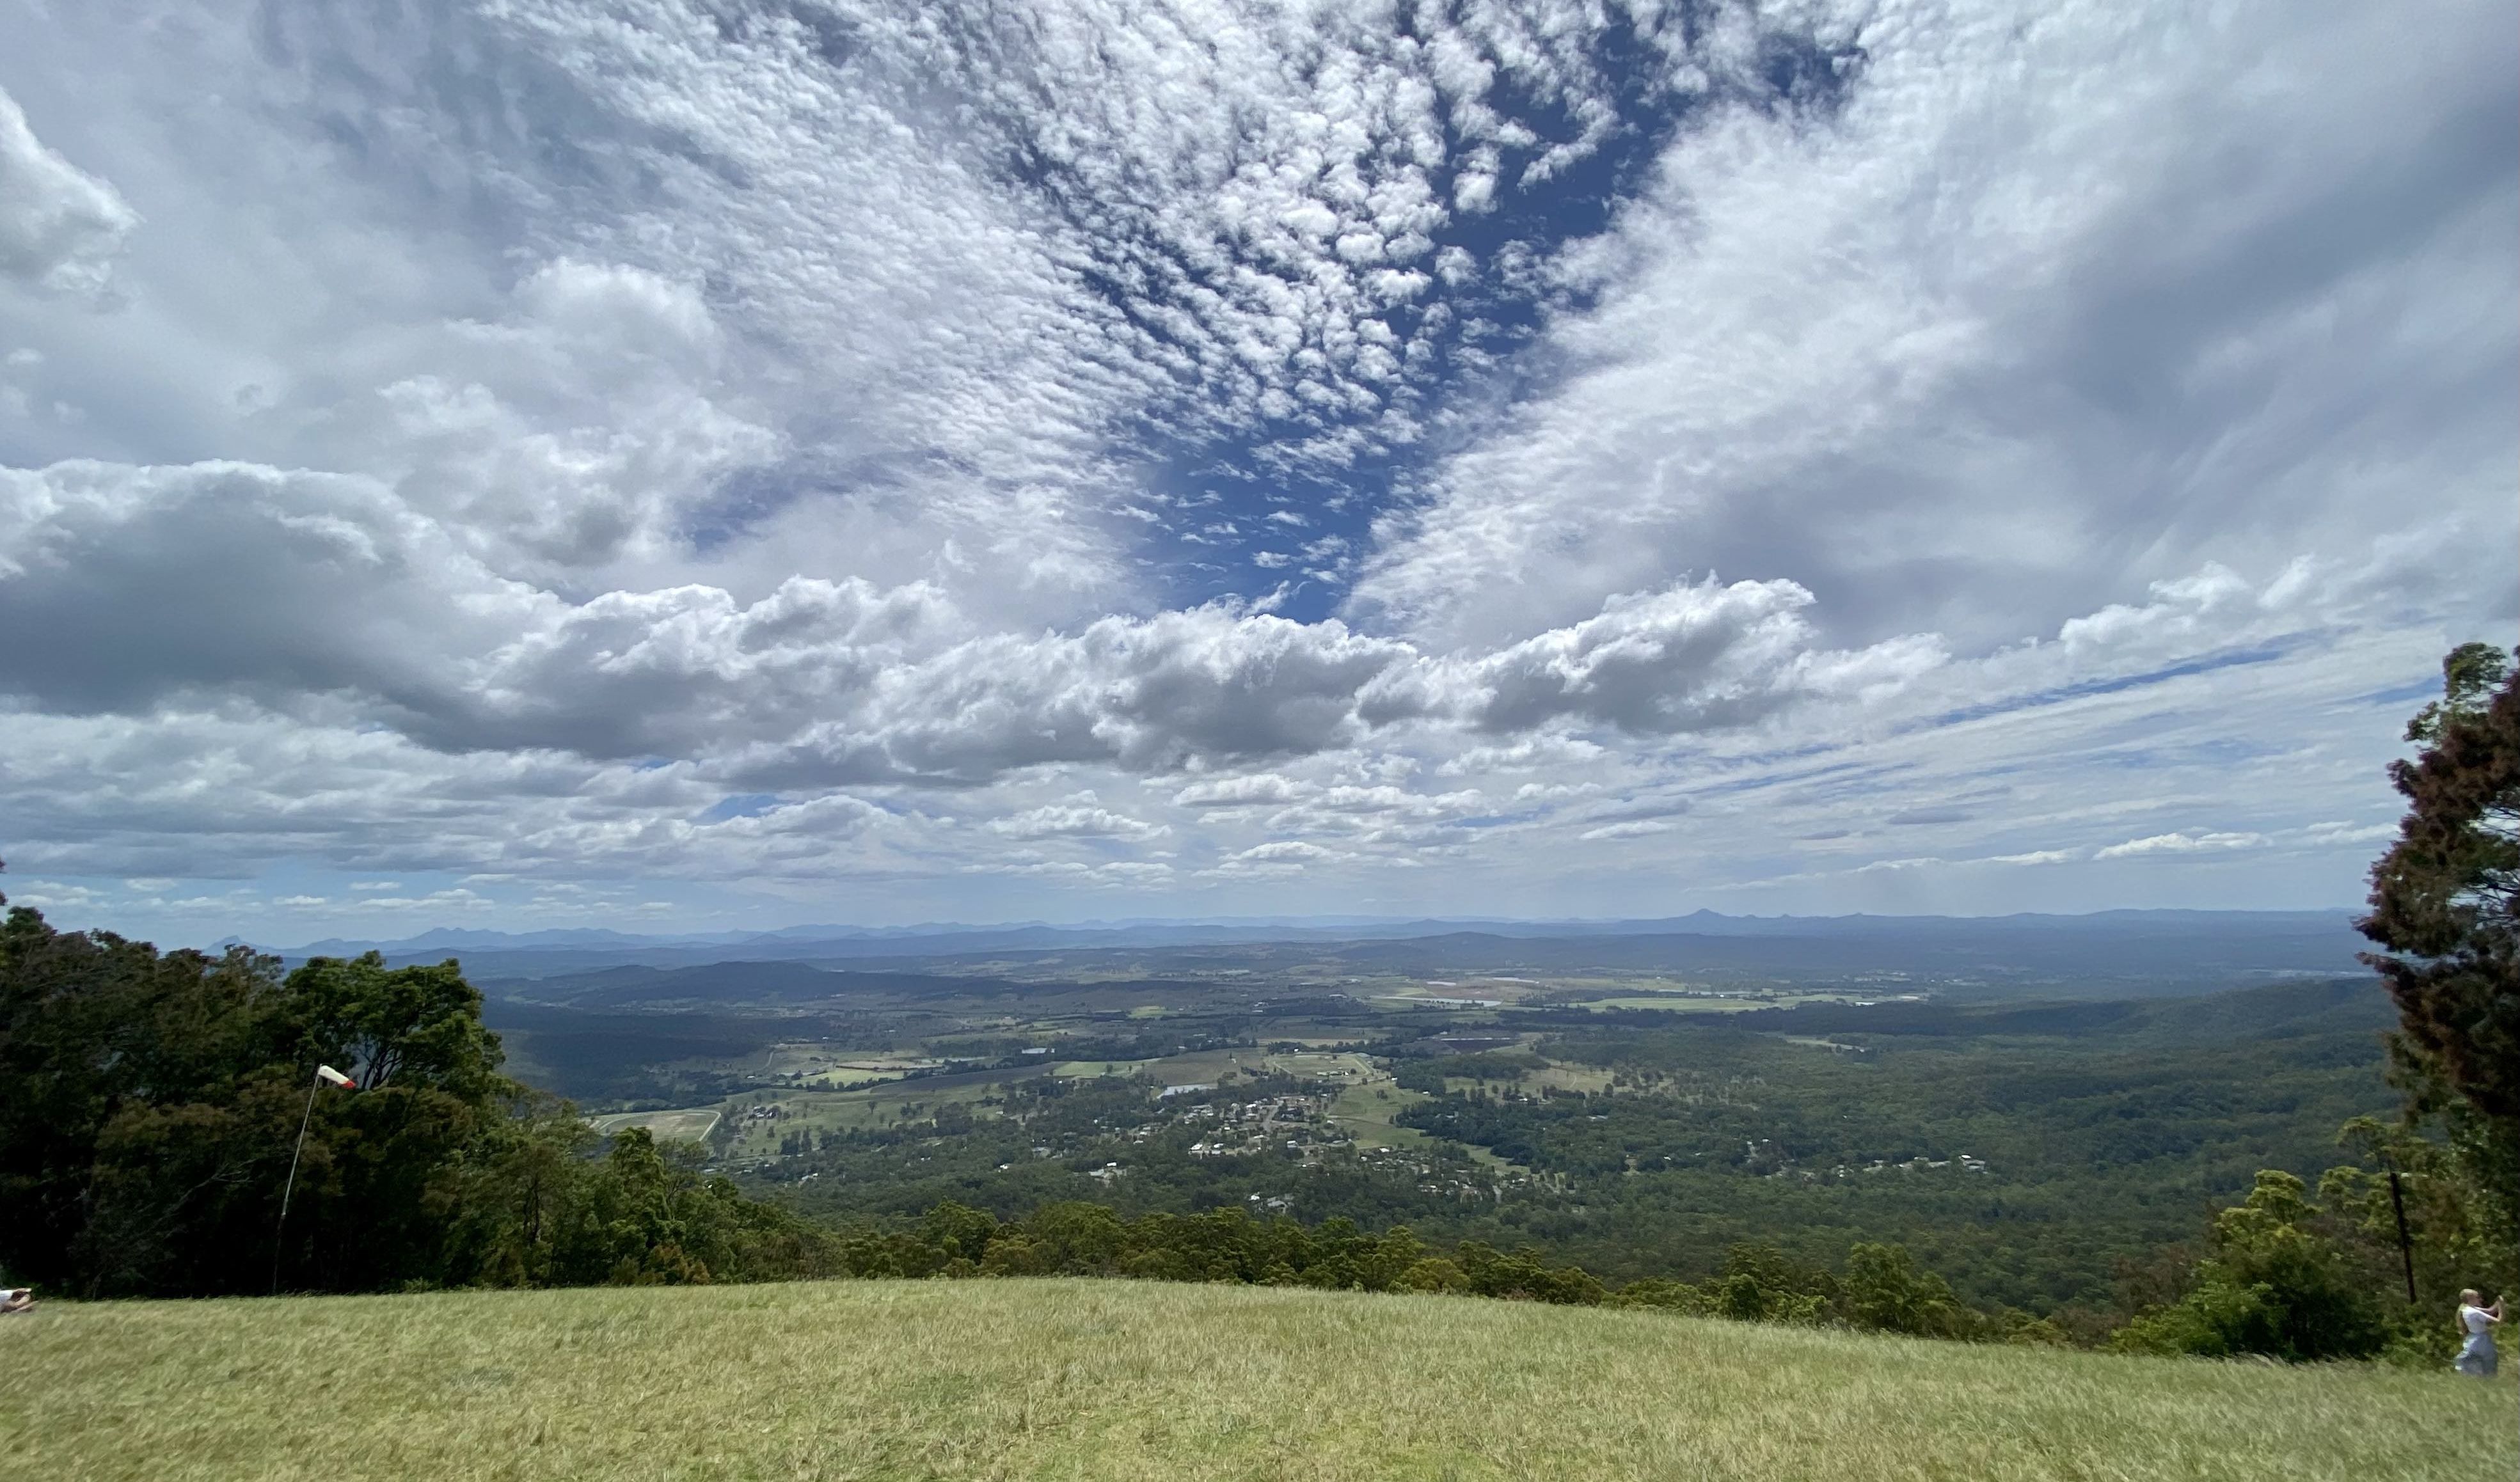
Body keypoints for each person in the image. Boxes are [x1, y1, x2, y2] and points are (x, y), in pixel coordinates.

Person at [2453, 1289, 2501, 1378]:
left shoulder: (2467, 1308)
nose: (2481, 1299)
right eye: (2477, 1297)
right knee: (2489, 1365)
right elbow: (2499, 1321)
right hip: (2482, 1341)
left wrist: (2498, 1303)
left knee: (2480, 1366)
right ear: (2469, 1298)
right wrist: (2502, 1307)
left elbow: (2490, 1310)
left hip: (2474, 1339)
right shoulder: (2474, 1312)